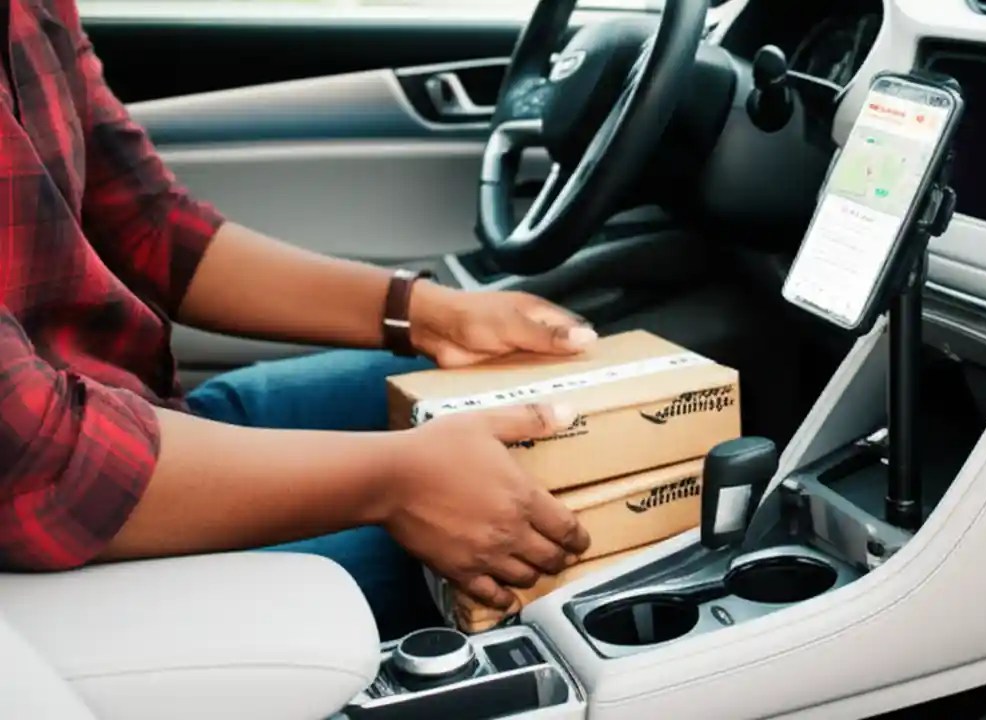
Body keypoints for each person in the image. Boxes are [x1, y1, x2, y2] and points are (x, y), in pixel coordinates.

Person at [0, 0, 594, 639]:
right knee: (557, 530)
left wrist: (429, 315)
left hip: (125, 420)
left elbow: (149, 223)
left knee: (533, 392)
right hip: (52, 527)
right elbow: (35, 463)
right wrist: (395, 480)